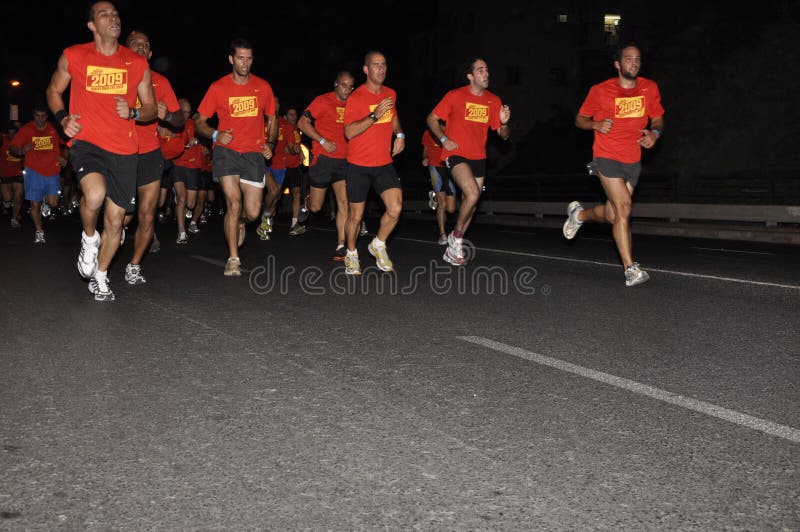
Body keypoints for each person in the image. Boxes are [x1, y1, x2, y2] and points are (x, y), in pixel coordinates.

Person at [46, 0, 156, 301]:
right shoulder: (74, 55)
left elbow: (150, 108)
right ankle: (89, 239)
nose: (113, 18)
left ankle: (101, 275)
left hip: (125, 148)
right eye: (104, 15)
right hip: (88, 142)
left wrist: (133, 113)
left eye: (116, 14)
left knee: (117, 220)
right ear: (92, 25)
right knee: (94, 195)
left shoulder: (137, 63)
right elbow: (53, 90)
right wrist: (63, 118)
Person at [562, 42, 664, 287]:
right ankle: (630, 269)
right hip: (606, 156)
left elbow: (658, 118)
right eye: (629, 58)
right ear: (617, 64)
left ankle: (579, 215)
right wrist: (595, 125)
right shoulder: (600, 90)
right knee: (624, 208)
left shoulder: (649, 88)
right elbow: (579, 119)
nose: (634, 62)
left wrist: (655, 133)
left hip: (633, 159)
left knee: (612, 215)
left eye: (637, 59)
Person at [194, 37, 277, 276]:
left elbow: (272, 118)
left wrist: (270, 143)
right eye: (240, 58)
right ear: (231, 59)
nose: (245, 63)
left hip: (253, 154)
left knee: (252, 212)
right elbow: (199, 121)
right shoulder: (218, 87)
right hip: (226, 152)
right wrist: (216, 134)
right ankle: (233, 258)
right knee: (233, 203)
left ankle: (239, 220)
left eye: (249, 58)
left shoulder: (263, 87)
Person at [426, 57, 511, 266]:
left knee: (471, 203)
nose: (486, 74)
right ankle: (455, 238)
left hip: (479, 157)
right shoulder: (455, 95)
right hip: (455, 154)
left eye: (487, 70)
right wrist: (444, 140)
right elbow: (431, 118)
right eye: (481, 70)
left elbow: (504, 136)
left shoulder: (493, 100)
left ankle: (453, 246)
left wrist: (504, 124)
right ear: (470, 76)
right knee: (473, 193)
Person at [121, 30, 184, 284]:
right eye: (134, 44)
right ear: (124, 49)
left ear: (150, 54)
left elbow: (180, 119)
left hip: (149, 152)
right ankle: (108, 237)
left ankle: (134, 265)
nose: (140, 47)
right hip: (119, 151)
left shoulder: (161, 82)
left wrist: (167, 116)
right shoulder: (115, 77)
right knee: (122, 215)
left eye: (145, 45)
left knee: (147, 214)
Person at [342, 51, 406, 275]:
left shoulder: (390, 93)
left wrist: (400, 135)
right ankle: (351, 253)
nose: (381, 68)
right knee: (356, 216)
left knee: (395, 208)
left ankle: (378, 244)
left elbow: (393, 116)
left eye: (384, 64)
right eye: (376, 65)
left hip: (383, 163)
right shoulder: (356, 98)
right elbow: (349, 132)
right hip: (359, 165)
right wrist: (374, 116)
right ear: (366, 69)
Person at [296, 70, 355, 260]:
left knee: (344, 204)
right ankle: (307, 202)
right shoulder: (322, 101)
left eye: (350, 87)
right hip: (323, 159)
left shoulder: (354, 104)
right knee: (316, 207)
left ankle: (341, 245)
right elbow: (302, 123)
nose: (347, 90)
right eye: (343, 85)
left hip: (344, 161)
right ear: (336, 85)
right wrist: (323, 141)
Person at [10, 106, 66, 244]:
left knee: (53, 203)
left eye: (43, 116)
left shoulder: (54, 128)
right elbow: (13, 147)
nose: (40, 119)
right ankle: (39, 231)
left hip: (52, 170)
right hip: (33, 171)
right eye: (37, 115)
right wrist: (21, 151)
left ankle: (46, 202)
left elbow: (66, 145)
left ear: (47, 116)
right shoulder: (26, 129)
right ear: (33, 115)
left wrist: (64, 157)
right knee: (35, 204)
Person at [172, 98, 203, 241]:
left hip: (193, 165)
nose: (186, 115)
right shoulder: (172, 122)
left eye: (188, 112)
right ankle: (181, 232)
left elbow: (204, 135)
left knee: (190, 203)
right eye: (183, 112)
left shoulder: (193, 123)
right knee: (182, 198)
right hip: (178, 164)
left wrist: (196, 140)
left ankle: (183, 205)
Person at [421, 127, 456, 245]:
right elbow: (425, 149)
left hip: (450, 168)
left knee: (451, 209)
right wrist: (425, 158)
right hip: (435, 166)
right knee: (442, 203)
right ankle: (442, 234)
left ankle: (434, 197)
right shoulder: (428, 132)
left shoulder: (452, 128)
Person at [0, 125, 25, 228]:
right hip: (5, 173)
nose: (12, 135)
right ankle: (5, 202)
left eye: (14, 133)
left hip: (18, 173)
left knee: (18, 196)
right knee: (7, 198)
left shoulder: (21, 142)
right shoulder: (3, 140)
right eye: (9, 133)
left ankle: (14, 219)